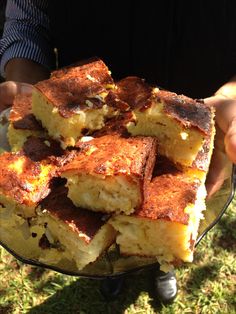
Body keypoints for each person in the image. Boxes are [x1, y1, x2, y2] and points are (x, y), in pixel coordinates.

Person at [0, 0, 236, 304]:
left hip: (195, 112)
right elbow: (28, 19)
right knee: (106, 217)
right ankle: (118, 270)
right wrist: (30, 93)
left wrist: (230, 94)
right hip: (84, 107)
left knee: (164, 216)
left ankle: (161, 265)